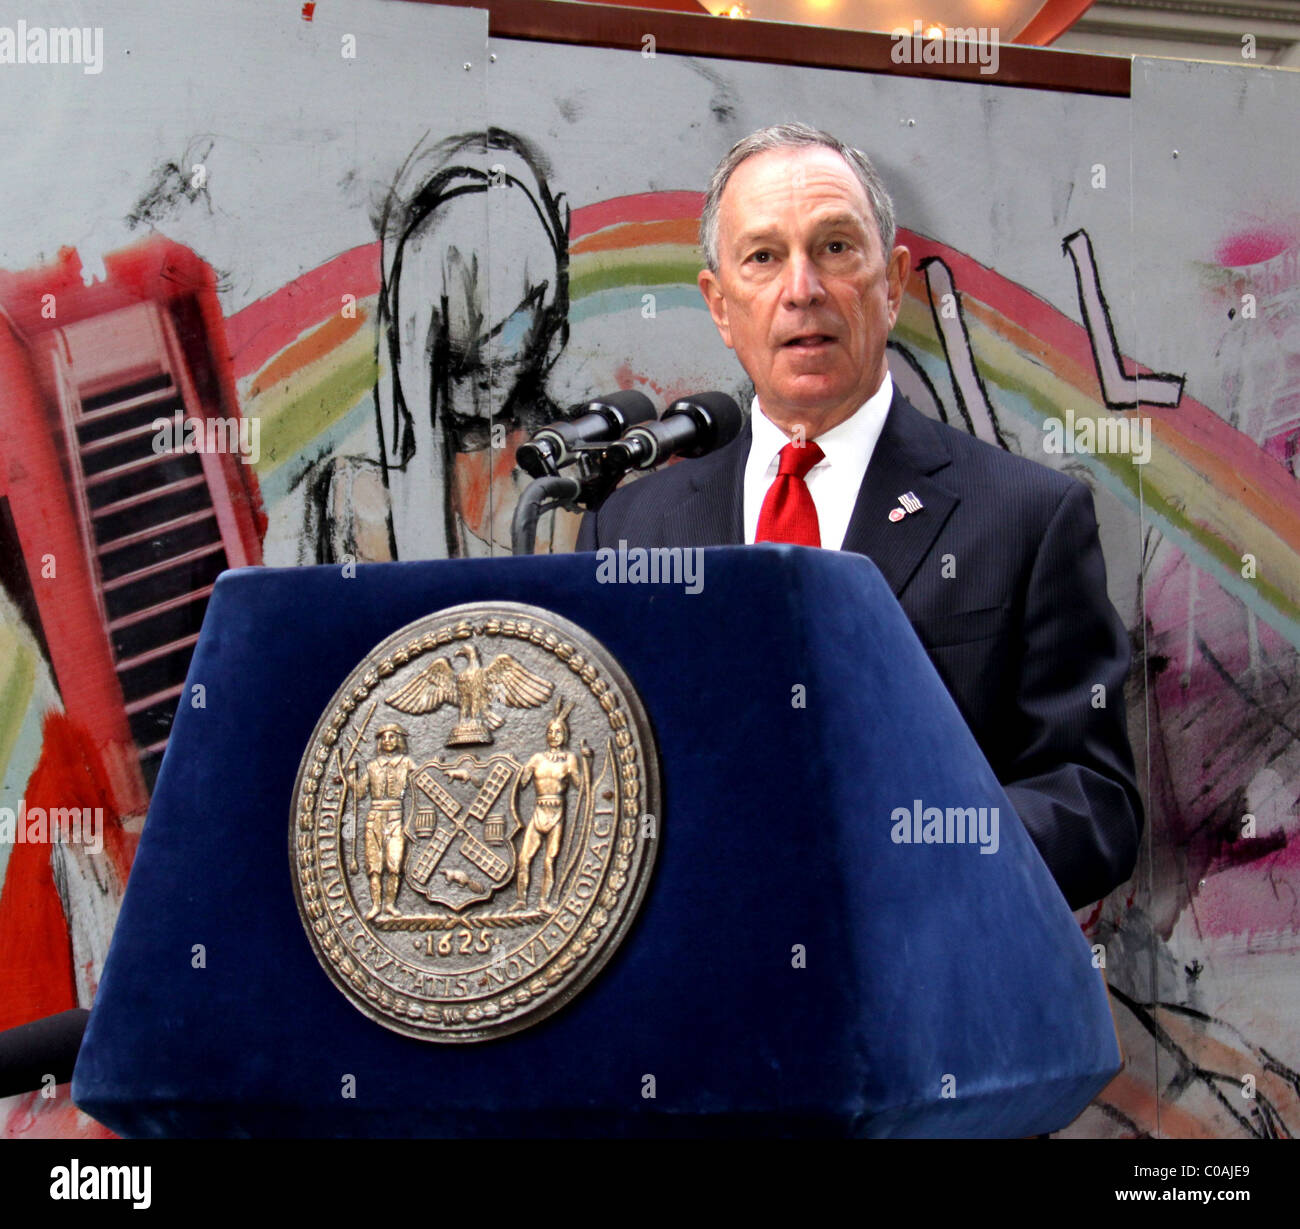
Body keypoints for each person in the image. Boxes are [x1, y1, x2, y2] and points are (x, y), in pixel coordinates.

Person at [576, 123, 1143, 909]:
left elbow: (1095, 799)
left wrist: (909, 850)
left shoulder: (1026, 516)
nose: (801, 288)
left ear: (893, 282)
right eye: (764, 257)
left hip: (923, 997)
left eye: (836, 248)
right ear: (719, 303)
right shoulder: (631, 528)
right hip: (699, 1000)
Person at [348, 723, 417, 920]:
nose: (387, 740)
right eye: (384, 737)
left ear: (399, 740)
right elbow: (360, 793)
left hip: (396, 818)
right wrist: (350, 777)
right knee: (374, 865)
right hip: (375, 818)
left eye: (392, 736)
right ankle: (375, 905)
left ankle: (390, 905)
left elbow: (421, 782)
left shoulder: (407, 764)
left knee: (394, 864)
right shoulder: (371, 766)